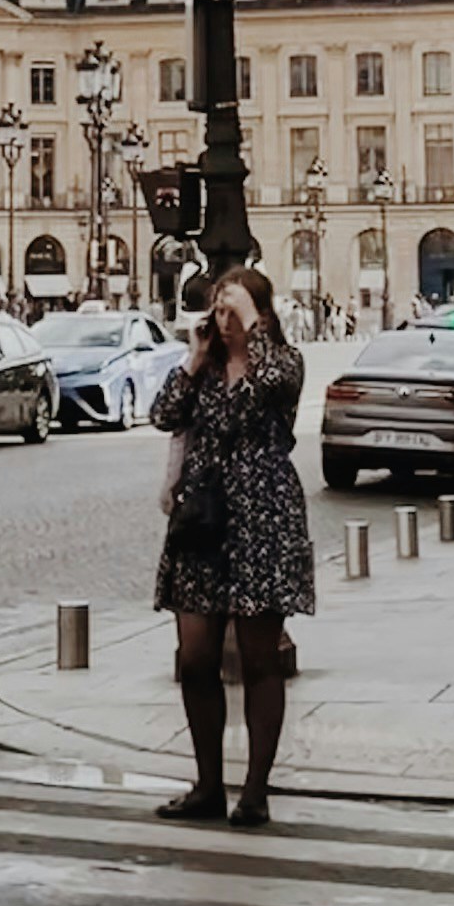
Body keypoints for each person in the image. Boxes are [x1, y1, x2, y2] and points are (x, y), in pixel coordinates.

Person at [149, 266, 313, 829]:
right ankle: (208, 785)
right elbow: (163, 414)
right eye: (217, 309)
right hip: (203, 519)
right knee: (196, 659)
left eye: (233, 310)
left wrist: (253, 328)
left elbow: (272, 384)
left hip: (263, 518)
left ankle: (255, 791)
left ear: (261, 313)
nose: (222, 320)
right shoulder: (205, 368)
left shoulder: (284, 362)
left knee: (260, 658)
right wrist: (194, 359)